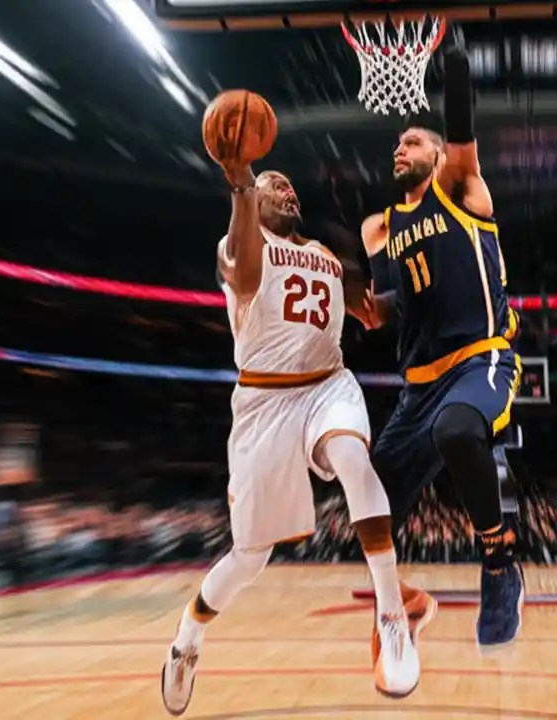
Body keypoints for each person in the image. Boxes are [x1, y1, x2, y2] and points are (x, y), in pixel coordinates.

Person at [160, 163, 420, 715]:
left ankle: (392, 617)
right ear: (252, 201)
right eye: (272, 183)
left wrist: (431, 290)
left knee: (353, 458)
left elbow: (371, 314)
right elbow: (247, 273)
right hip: (264, 402)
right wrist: (239, 182)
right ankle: (188, 636)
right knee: (250, 558)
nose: (286, 187)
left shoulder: (327, 255)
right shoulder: (236, 245)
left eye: (289, 183)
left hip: (328, 385)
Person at [356, 46, 524, 648]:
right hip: (418, 384)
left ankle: (501, 565)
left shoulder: (460, 186)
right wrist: (341, 292)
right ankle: (405, 603)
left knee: (458, 433)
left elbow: (460, 125)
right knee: (367, 511)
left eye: (412, 143)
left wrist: (452, 60)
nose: (399, 150)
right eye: (396, 145)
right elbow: (385, 306)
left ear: (437, 155)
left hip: (482, 359)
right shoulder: (379, 226)